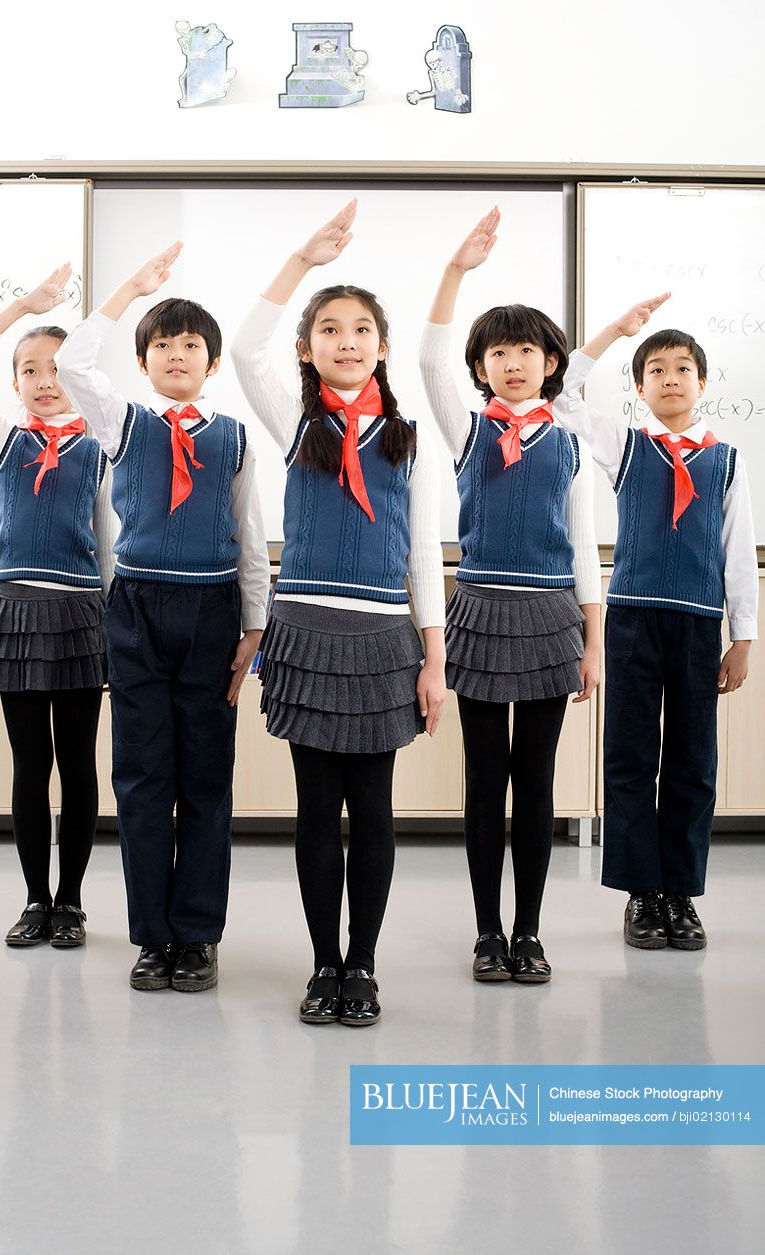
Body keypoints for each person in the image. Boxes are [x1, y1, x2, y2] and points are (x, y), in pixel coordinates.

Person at [231, 200, 446, 1026]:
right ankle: (324, 964)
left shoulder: (410, 436)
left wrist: (433, 658)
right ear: (309, 345)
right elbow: (247, 347)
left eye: (361, 329)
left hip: (385, 640)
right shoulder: (298, 421)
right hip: (308, 637)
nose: (347, 340)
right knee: (317, 810)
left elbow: (423, 554)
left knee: (377, 810)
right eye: (329, 328)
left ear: (382, 346)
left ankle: (365, 965)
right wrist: (300, 260)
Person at [55, 243, 269, 992]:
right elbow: (73, 366)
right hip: (138, 608)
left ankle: (198, 933)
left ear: (213, 364)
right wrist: (127, 293)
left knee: (206, 778)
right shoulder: (122, 422)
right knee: (143, 777)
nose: (176, 354)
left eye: (191, 345)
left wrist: (254, 627)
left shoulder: (235, 437)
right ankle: (154, 935)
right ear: (142, 361)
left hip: (212, 611)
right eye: (162, 344)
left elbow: (248, 538)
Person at [419, 208, 601, 984]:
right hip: (483, 613)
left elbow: (587, 548)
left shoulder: (571, 442)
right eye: (500, 351)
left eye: (528, 348)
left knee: (537, 782)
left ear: (553, 361)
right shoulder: (466, 430)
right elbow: (428, 361)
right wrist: (456, 270)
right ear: (483, 365)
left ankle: (529, 930)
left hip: (554, 617)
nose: (515, 361)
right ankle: (487, 931)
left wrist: (594, 643)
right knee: (484, 779)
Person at [559, 296, 758, 950]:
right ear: (640, 387)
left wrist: (743, 638)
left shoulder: (726, 460)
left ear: (702, 383)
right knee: (631, 754)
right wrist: (616, 332)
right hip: (635, 619)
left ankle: (681, 891)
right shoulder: (625, 447)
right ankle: (641, 892)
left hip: (700, 624)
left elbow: (736, 551)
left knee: (694, 759)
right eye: (656, 369)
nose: (670, 378)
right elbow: (563, 395)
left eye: (682, 368)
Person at [0, 264, 115, 949]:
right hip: (15, 616)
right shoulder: (4, 440)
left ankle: (71, 902)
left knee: (76, 763)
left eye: (55, 367)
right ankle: (34, 899)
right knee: (28, 765)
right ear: (15, 381)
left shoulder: (102, 446)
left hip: (79, 617)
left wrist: (108, 620)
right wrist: (22, 304)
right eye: (29, 369)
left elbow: (108, 545)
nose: (45, 380)